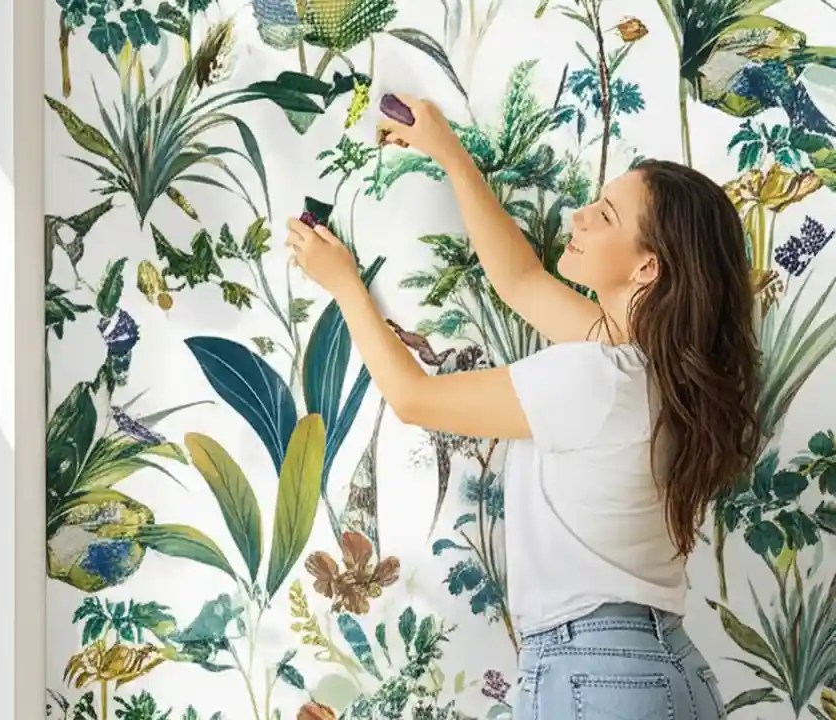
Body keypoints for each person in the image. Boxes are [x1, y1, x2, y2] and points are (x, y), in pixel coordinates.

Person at [285, 94, 760, 719]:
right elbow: (521, 283)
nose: (579, 215)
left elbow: (414, 398)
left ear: (647, 267)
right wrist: (451, 156)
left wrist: (344, 283)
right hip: (664, 673)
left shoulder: (596, 377)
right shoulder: (653, 374)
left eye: (605, 216)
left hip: (597, 674)